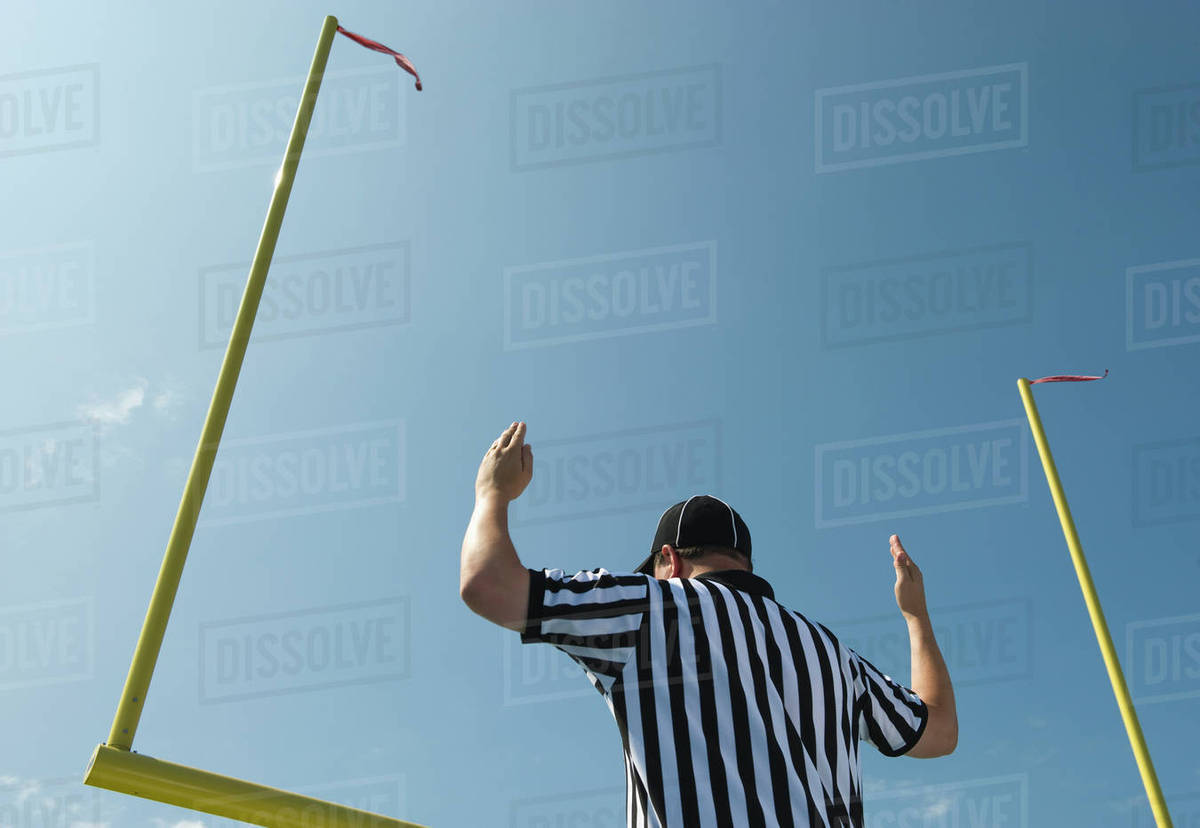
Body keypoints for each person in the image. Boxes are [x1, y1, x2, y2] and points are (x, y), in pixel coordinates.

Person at [460, 422, 958, 827]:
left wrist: (492, 494)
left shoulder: (651, 607)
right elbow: (939, 733)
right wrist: (916, 615)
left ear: (670, 560)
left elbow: (488, 585)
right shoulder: (833, 656)